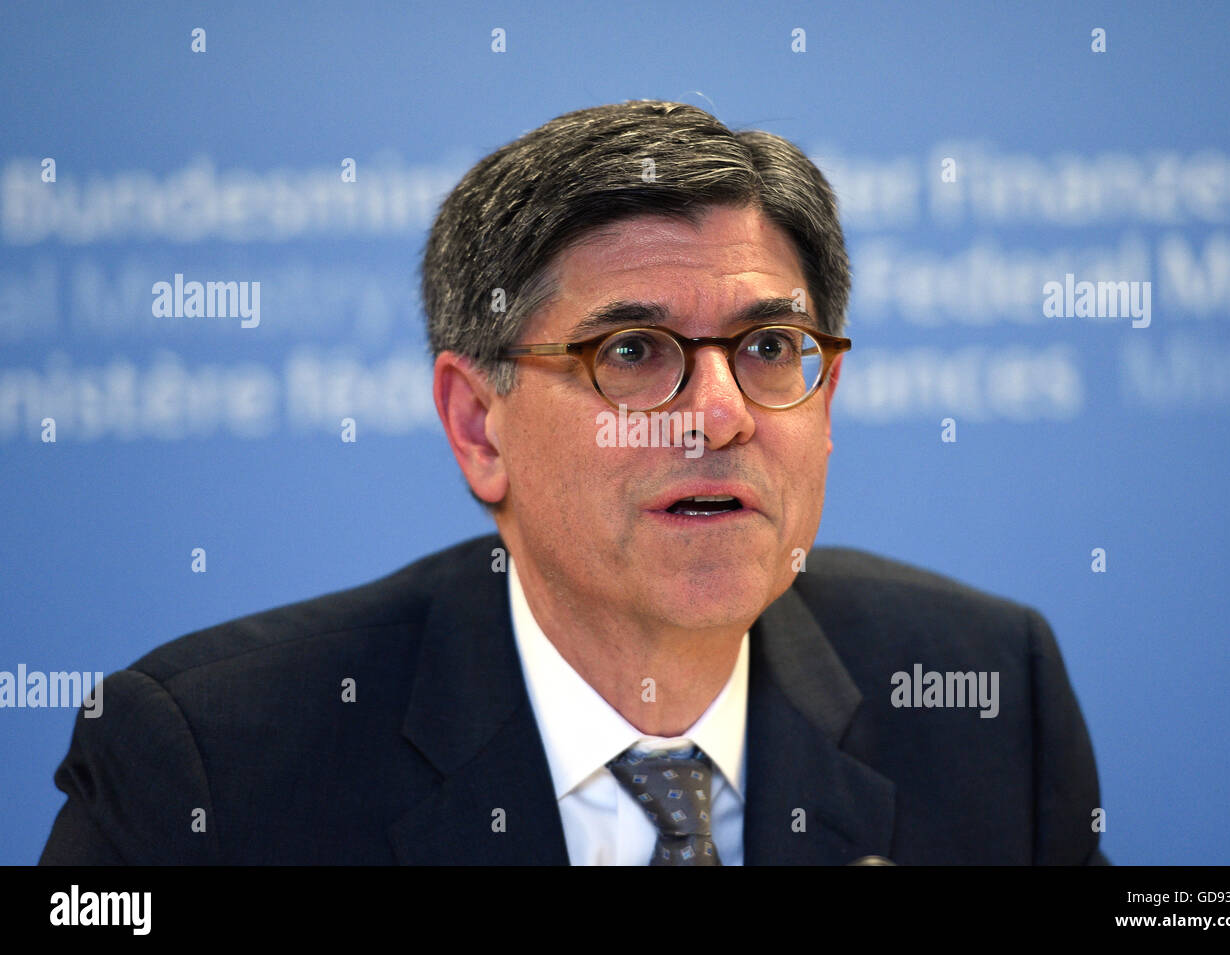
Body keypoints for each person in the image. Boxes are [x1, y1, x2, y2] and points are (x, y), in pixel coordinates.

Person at [40, 101, 1106, 865]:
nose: (723, 414)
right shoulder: (213, 765)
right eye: (634, 353)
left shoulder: (984, 695)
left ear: (824, 402)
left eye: (771, 347)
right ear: (477, 425)